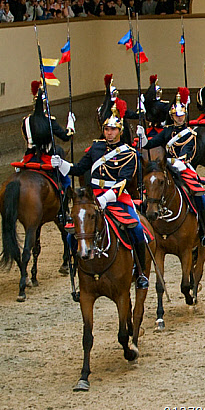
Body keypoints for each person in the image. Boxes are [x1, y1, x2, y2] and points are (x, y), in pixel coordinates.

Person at [51, 106, 150, 290]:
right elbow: (79, 169)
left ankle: (141, 272)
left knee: (136, 228)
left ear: (120, 131)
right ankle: (75, 266)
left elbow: (124, 181)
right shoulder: (96, 147)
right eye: (106, 129)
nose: (109, 133)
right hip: (94, 196)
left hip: (116, 197)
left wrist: (106, 199)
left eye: (113, 130)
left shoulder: (128, 153)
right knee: (72, 234)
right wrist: (61, 164)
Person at [137, 87, 205, 247]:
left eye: (181, 116)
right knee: (151, 191)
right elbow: (149, 144)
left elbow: (187, 156)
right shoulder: (167, 132)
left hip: (183, 168)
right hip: (167, 169)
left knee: (199, 196)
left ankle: (203, 233)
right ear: (172, 116)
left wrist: (170, 163)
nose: (179, 119)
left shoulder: (190, 134)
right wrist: (142, 136)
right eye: (176, 116)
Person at [22, 81, 75, 221]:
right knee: (66, 182)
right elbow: (65, 137)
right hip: (47, 158)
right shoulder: (50, 121)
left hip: (29, 158)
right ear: (46, 105)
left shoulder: (26, 121)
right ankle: (63, 212)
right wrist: (71, 125)